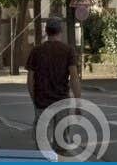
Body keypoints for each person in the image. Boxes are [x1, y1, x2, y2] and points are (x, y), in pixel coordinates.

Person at [26, 17, 80, 152]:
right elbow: (74, 77)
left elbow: (30, 80)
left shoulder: (36, 51)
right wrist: (78, 102)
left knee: (41, 141)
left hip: (42, 101)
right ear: (60, 31)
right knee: (61, 144)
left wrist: (34, 99)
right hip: (61, 101)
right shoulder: (68, 50)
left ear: (46, 31)